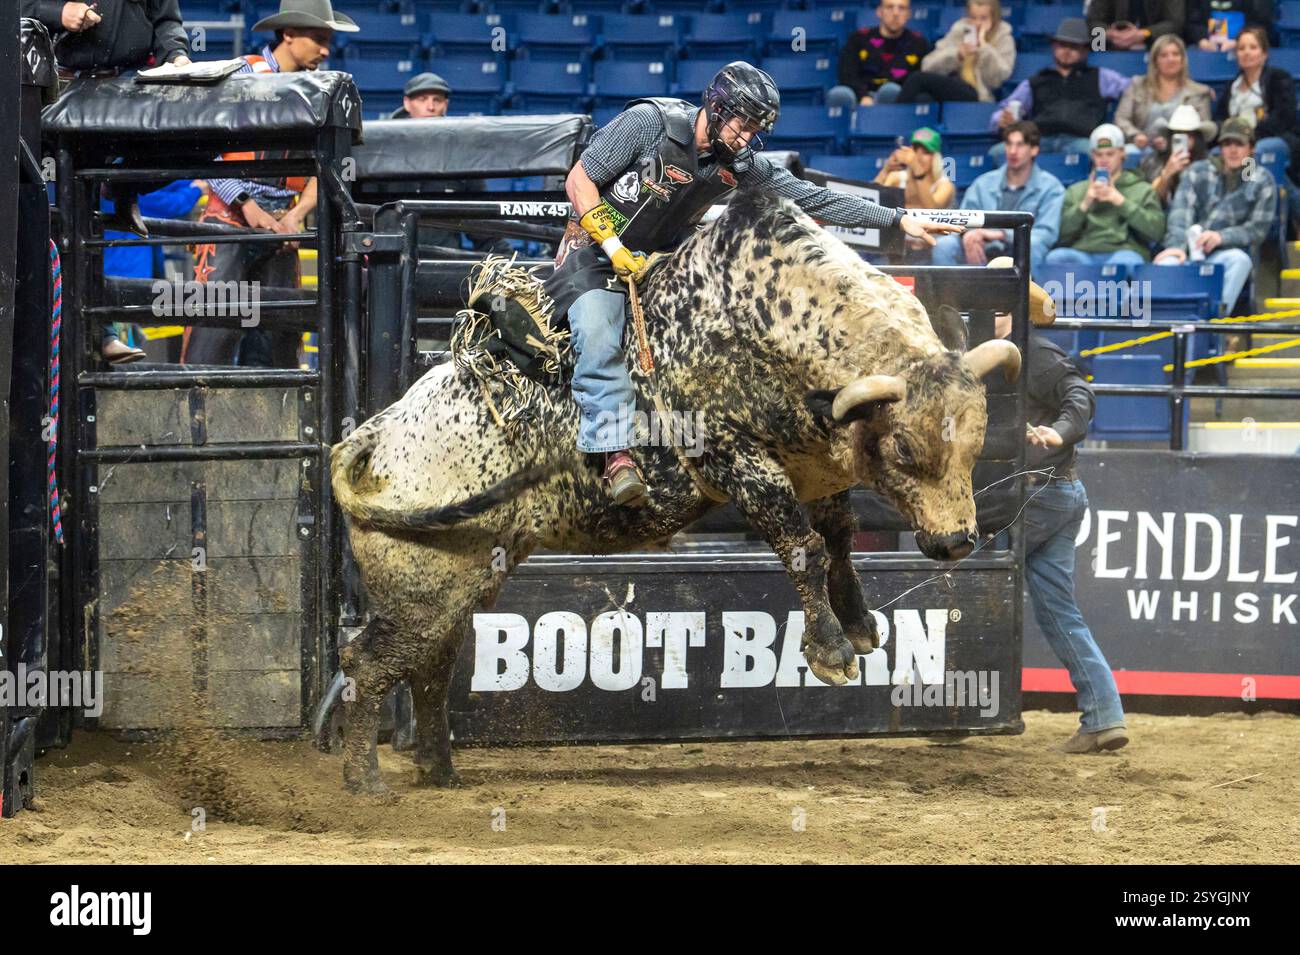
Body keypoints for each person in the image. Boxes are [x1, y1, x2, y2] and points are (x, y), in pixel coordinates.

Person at [550, 62, 961, 505]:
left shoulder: (740, 164)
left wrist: (898, 222)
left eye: (756, 130)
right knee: (598, 336)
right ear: (717, 106)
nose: (747, 139)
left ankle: (722, 440)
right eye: (742, 126)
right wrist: (612, 248)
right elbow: (580, 179)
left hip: (660, 262)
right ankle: (616, 458)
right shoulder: (649, 122)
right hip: (593, 252)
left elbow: (813, 198)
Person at [182, 0, 358, 367]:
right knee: (212, 329)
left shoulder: (319, 88)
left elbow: (323, 163)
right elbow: (208, 149)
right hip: (230, 219)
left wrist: (297, 214)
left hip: (281, 223)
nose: (325, 50)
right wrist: (248, 205)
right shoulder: (242, 75)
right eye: (318, 39)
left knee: (278, 335)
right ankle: (194, 413)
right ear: (289, 34)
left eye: (327, 41)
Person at [986, 310, 1129, 753]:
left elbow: (1079, 395)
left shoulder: (1037, 353)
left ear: (1013, 311)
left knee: (960, 577)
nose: (987, 313)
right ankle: (1104, 717)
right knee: (1059, 612)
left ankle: (960, 711)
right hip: (1056, 494)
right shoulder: (1012, 351)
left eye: (996, 306)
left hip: (1031, 497)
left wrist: (1059, 432)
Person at [1154, 116, 1277, 313]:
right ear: (1220, 147)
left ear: (1251, 148)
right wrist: (1176, 247)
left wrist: (1221, 237)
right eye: (1227, 144)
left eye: (1239, 144)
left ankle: (1213, 326)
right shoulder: (1199, 171)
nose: (1233, 150)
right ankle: (1167, 330)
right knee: (1164, 264)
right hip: (1188, 250)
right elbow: (1180, 214)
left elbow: (1257, 229)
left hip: (1225, 253)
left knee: (1240, 261)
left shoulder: (1259, 178)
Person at [932, 121, 1064, 272]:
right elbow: (964, 219)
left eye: (1020, 145)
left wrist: (1001, 235)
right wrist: (969, 234)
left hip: (1017, 247)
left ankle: (1025, 295)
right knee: (945, 245)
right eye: (1009, 144)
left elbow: (1046, 235)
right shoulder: (983, 183)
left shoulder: (1051, 187)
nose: (1013, 151)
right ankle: (948, 296)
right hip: (982, 245)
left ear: (1034, 150)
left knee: (1031, 245)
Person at [989, 17, 1130, 157]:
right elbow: (1006, 109)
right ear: (1054, 46)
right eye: (1062, 45)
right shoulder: (1036, 81)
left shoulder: (1101, 77)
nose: (1067, 51)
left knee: (1098, 154)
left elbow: (1133, 89)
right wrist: (1001, 119)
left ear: (1085, 50)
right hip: (1040, 140)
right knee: (996, 153)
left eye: (1074, 46)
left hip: (1081, 140)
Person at [1046, 123, 1166, 266]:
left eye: (1110, 154)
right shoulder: (1076, 191)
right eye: (1098, 154)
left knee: (1124, 263)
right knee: (1056, 258)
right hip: (1083, 252)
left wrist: (1121, 201)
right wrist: (1085, 204)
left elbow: (1156, 232)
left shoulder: (1142, 189)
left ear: (1122, 153)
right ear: (1092, 155)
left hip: (1124, 251)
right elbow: (1059, 236)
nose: (1104, 160)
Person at [21, 0, 191, 77]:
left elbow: (165, 20)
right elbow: (14, 8)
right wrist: (59, 12)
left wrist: (175, 53)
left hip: (129, 83)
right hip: (63, 84)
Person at [895, 0, 1015, 104]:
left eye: (983, 18)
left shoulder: (1003, 37)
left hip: (978, 94)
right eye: (973, 18)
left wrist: (984, 47)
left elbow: (998, 79)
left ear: (993, 19)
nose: (977, 23)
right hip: (951, 86)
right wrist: (957, 55)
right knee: (923, 98)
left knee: (917, 78)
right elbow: (927, 65)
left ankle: (893, 122)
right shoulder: (959, 31)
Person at [1113, 34, 1213, 153]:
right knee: (1129, 152)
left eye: (1175, 54)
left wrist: (1172, 143)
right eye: (1164, 55)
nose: (1170, 59)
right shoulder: (1137, 85)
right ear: (1155, 61)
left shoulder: (1199, 92)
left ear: (1183, 59)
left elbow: (1202, 131)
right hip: (1142, 148)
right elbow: (1121, 118)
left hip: (1180, 149)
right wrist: (1135, 135)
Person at [828, 0, 930, 109]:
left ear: (908, 14)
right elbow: (847, 74)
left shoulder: (919, 43)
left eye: (902, 8)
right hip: (860, 99)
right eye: (890, 7)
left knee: (891, 91)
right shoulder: (858, 38)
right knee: (839, 94)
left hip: (898, 99)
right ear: (879, 12)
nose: (895, 13)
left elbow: (918, 80)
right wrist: (863, 96)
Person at [1140, 103, 1216, 205]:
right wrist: (1167, 174)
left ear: (1197, 138)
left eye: (1188, 135)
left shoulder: (1209, 164)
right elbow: (1152, 203)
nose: (1183, 140)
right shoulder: (1154, 161)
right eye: (1178, 134)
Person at [873, 126, 955, 214]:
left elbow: (932, 210)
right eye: (916, 151)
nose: (919, 157)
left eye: (925, 153)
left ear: (935, 157)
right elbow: (872, 201)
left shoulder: (945, 186)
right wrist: (886, 170)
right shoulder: (897, 179)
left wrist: (917, 170)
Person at [1085, 0, 1186, 50]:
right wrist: (1110, 34)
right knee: (1095, 42)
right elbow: (1093, 22)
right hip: (1112, 46)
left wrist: (1144, 34)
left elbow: (1175, 23)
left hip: (1157, 47)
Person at [1184, 0, 1276, 51]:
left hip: (1245, 44)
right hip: (1208, 45)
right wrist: (1202, 40)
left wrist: (1238, 41)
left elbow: (1260, 22)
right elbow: (1193, 21)